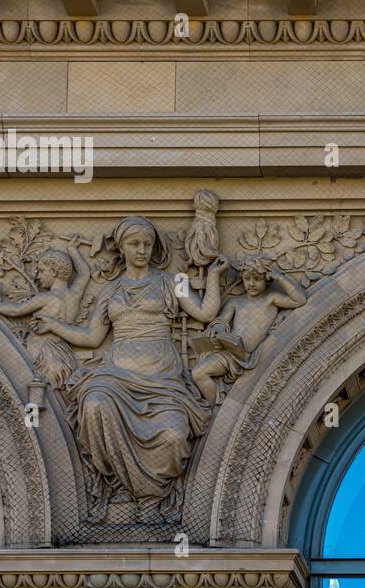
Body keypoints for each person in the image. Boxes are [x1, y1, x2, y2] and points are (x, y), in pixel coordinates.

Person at [33, 217, 227, 521]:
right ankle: (121, 485)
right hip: (115, 374)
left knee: (175, 434)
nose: (142, 250)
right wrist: (54, 325)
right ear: (122, 248)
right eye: (134, 244)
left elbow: (205, 311)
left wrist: (213, 276)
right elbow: (92, 337)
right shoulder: (111, 289)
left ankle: (151, 494)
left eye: (147, 244)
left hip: (162, 378)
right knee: (94, 403)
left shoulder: (170, 281)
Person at [0, 238, 92, 389]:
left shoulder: (46, 298)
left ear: (54, 271)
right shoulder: (74, 295)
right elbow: (84, 273)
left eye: (42, 270)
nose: (38, 276)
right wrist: (73, 250)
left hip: (45, 353)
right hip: (63, 353)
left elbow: (15, 310)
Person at [191, 254, 307, 404]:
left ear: (267, 279)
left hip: (253, 355)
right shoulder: (235, 302)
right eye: (247, 278)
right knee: (198, 373)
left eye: (257, 279)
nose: (251, 284)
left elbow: (300, 300)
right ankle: (216, 406)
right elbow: (222, 321)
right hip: (230, 354)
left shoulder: (270, 299)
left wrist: (280, 278)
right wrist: (218, 328)